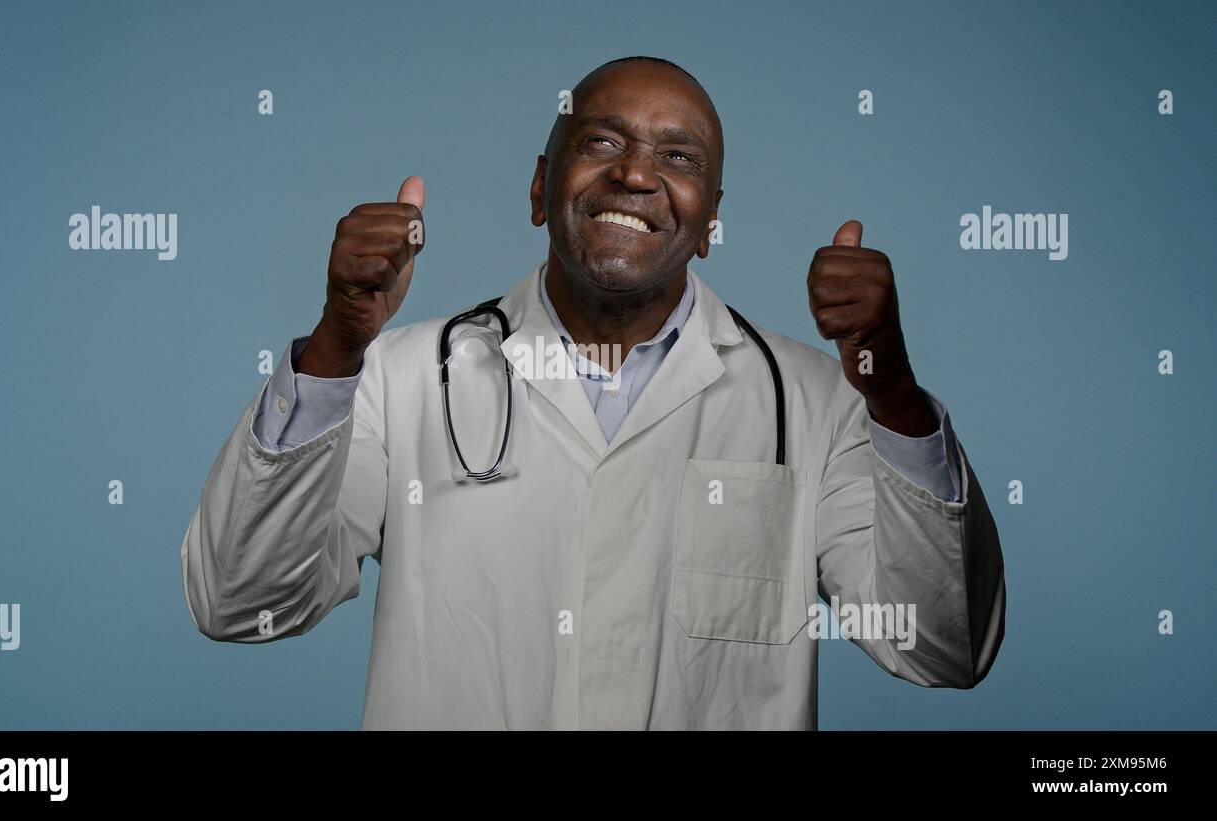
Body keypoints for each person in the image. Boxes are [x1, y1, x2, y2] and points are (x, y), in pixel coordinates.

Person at [180, 56, 1005, 730]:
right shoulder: (402, 376)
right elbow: (240, 597)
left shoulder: (813, 403)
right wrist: (334, 344)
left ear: (712, 220)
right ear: (541, 188)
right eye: (602, 141)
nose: (637, 172)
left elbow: (945, 646)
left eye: (679, 157)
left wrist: (891, 391)